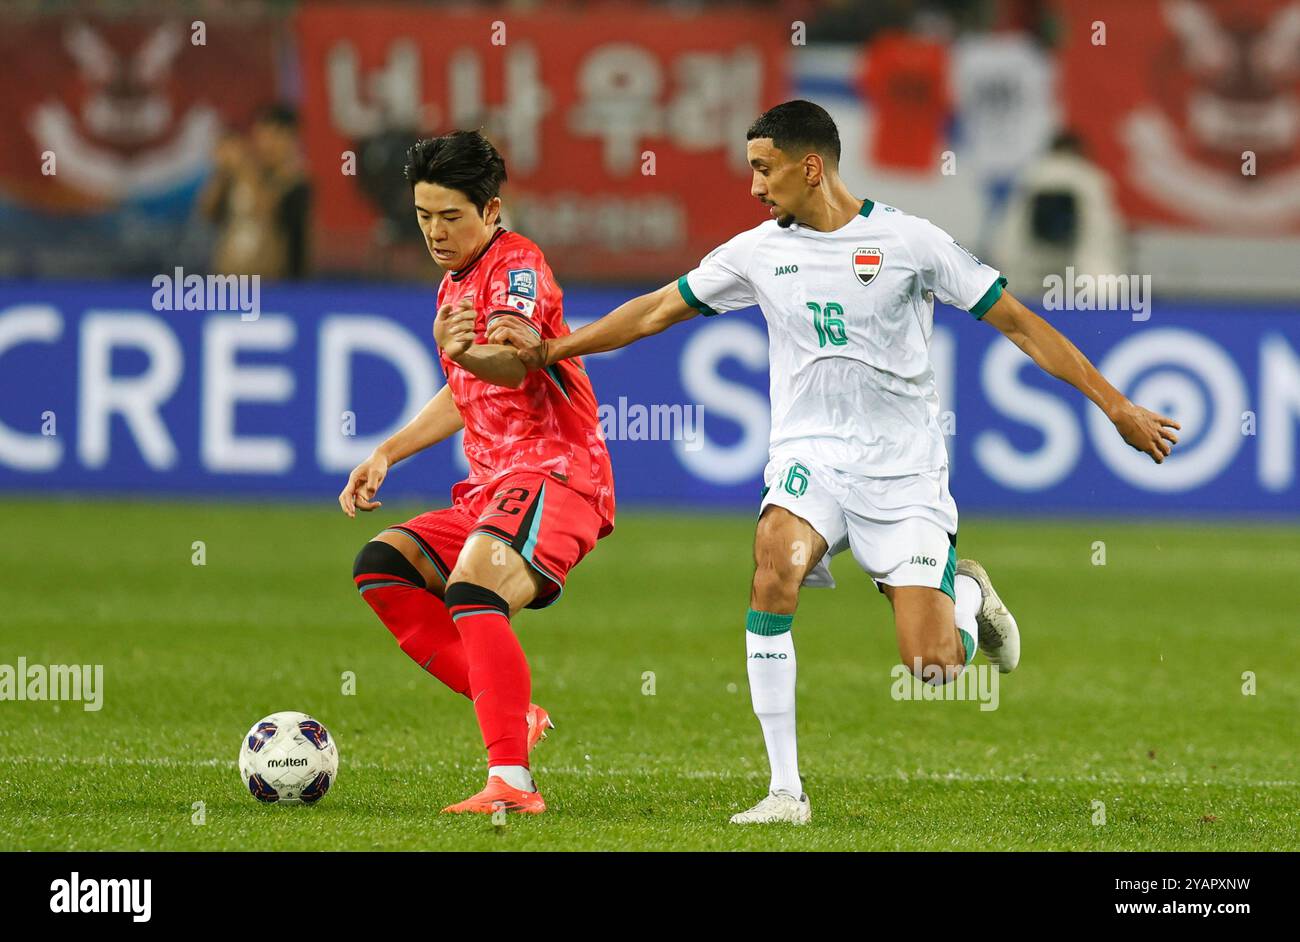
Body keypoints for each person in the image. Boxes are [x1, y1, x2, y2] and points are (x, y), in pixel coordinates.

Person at [487, 100, 1179, 824]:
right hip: (808, 458)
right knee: (772, 565)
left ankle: (968, 598)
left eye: (764, 169)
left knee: (934, 668)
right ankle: (786, 791)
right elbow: (659, 308)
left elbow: (1021, 324)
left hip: (903, 472)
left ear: (809, 166)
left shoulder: (910, 242)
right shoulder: (757, 251)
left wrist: (1116, 405)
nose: (754, 187)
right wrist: (551, 350)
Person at [339, 130, 615, 814]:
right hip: (494, 488)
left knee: (472, 590)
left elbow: (510, 364)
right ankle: (517, 712)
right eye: (423, 214)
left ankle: (513, 785)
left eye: (450, 215)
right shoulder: (454, 282)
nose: (435, 230)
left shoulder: (518, 267)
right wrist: (387, 452)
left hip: (556, 477)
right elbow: (466, 392)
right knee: (384, 567)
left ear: (491, 210)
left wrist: (461, 349)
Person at [199, 105, 311, 278]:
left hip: (270, 284)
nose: (267, 145)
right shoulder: (239, 176)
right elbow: (208, 212)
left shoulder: (295, 183)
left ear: (291, 139)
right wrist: (221, 172)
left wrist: (243, 169)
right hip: (225, 278)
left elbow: (264, 210)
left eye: (275, 137)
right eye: (262, 136)